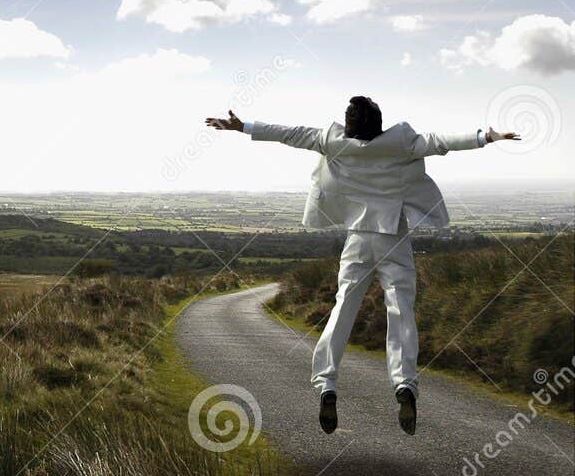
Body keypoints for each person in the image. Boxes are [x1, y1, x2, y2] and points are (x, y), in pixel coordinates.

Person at [205, 96, 519, 435]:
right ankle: (404, 384)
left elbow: (290, 134)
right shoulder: (401, 143)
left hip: (357, 239)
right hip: (392, 238)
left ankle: (326, 383)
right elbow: (441, 142)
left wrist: (242, 126)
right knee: (400, 309)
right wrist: (485, 137)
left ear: (349, 124)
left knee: (343, 308)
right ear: (379, 122)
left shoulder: (333, 141)